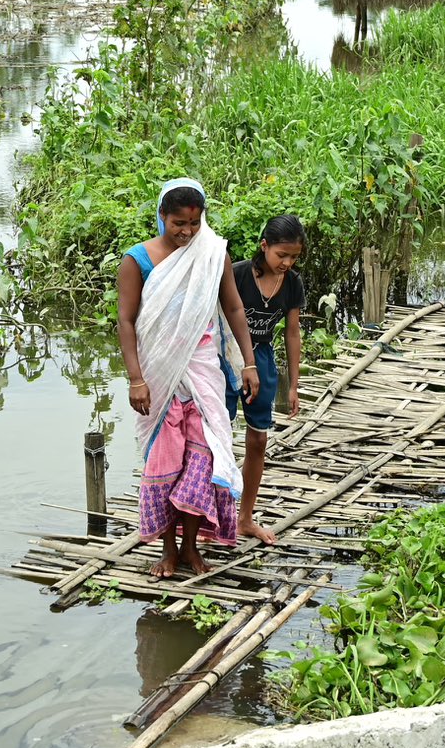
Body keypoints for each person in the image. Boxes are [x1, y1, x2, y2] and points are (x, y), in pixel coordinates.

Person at [116, 179, 260, 579]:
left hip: (202, 372)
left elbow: (233, 309)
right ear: (162, 216)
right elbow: (126, 322)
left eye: (195, 223)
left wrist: (248, 363)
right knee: (165, 465)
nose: (187, 232)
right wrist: (135, 378)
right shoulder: (137, 260)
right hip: (159, 376)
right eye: (178, 223)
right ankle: (167, 551)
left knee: (202, 462)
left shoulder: (212, 254)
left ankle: (192, 548)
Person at [228, 215, 305, 545]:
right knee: (214, 437)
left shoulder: (292, 284)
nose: (287, 263)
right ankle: (210, 516)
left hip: (262, 360)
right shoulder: (238, 274)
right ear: (264, 246)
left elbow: (291, 334)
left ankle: (244, 518)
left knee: (258, 440)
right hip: (227, 358)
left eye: (294, 257)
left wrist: (293, 385)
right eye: (281, 255)